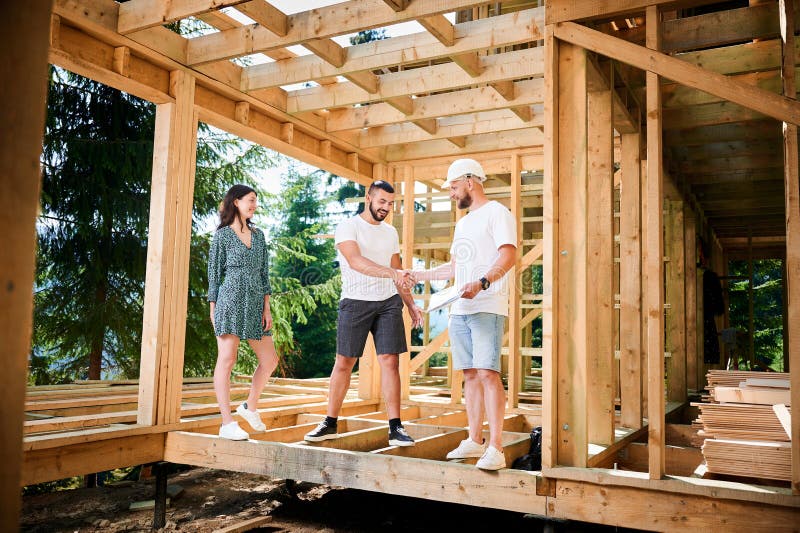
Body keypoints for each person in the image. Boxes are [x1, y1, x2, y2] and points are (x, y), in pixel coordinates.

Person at [411, 159, 516, 470]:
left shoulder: (497, 212)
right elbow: (454, 270)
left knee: (488, 373)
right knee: (470, 374)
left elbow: (508, 254)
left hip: (487, 304)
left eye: (454, 187)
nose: (452, 194)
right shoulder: (463, 224)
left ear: (470, 182)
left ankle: (496, 447)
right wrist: (419, 274)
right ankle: (474, 439)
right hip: (460, 307)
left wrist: (483, 283)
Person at [304, 180, 423, 447]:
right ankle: (329, 422)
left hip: (388, 302)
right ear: (368, 198)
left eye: (391, 204)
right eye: (382, 202)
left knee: (390, 362)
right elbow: (356, 262)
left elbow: (397, 270)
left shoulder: (390, 232)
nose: (386, 208)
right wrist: (393, 273)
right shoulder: (349, 226)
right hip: (355, 302)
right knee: (344, 362)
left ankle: (396, 427)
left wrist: (410, 304)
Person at [208, 184, 279, 440]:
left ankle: (249, 406)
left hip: (255, 302)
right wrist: (213, 309)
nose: (253, 205)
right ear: (235, 202)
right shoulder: (222, 236)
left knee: (270, 360)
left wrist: (266, 307)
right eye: (250, 200)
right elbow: (214, 276)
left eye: (255, 201)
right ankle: (227, 423)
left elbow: (264, 274)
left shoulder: (259, 236)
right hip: (229, 301)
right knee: (227, 359)